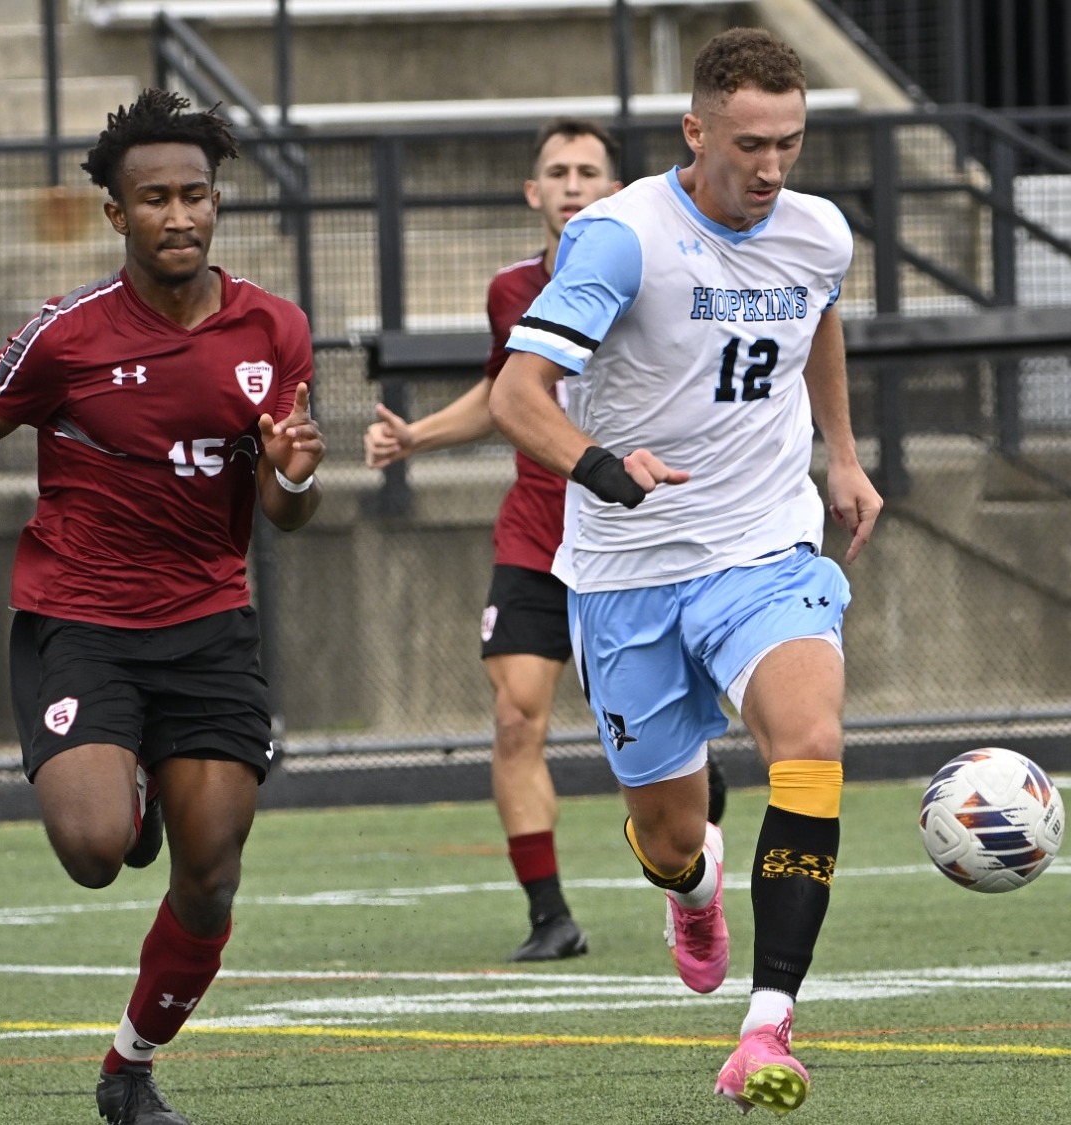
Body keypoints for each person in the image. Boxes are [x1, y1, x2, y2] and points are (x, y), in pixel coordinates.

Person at [489, 27, 879, 1115]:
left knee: (810, 741)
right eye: (750, 145)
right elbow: (518, 396)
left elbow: (817, 318)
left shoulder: (817, 231)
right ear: (695, 131)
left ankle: (766, 1026)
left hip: (763, 548)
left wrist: (842, 455)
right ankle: (692, 887)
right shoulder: (619, 240)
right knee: (669, 836)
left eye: (789, 144)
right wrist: (600, 466)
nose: (771, 168)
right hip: (626, 572)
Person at [0, 89, 324, 1125]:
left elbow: (288, 513)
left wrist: (292, 472)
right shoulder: (67, 334)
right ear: (117, 213)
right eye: (155, 199)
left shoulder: (274, 329)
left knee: (210, 879)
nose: (179, 215)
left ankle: (129, 1067)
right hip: (82, 620)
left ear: (216, 201)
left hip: (209, 624)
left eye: (195, 194)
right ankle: (132, 789)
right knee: (96, 850)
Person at [365, 118, 726, 962]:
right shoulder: (510, 289)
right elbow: (508, 392)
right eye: (556, 172)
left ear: (616, 191)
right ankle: (550, 916)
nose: (571, 185)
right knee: (514, 717)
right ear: (533, 192)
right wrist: (417, 436)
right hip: (539, 532)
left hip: (644, 536)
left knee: (675, 739)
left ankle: (690, 869)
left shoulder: (663, 272)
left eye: (587, 172)